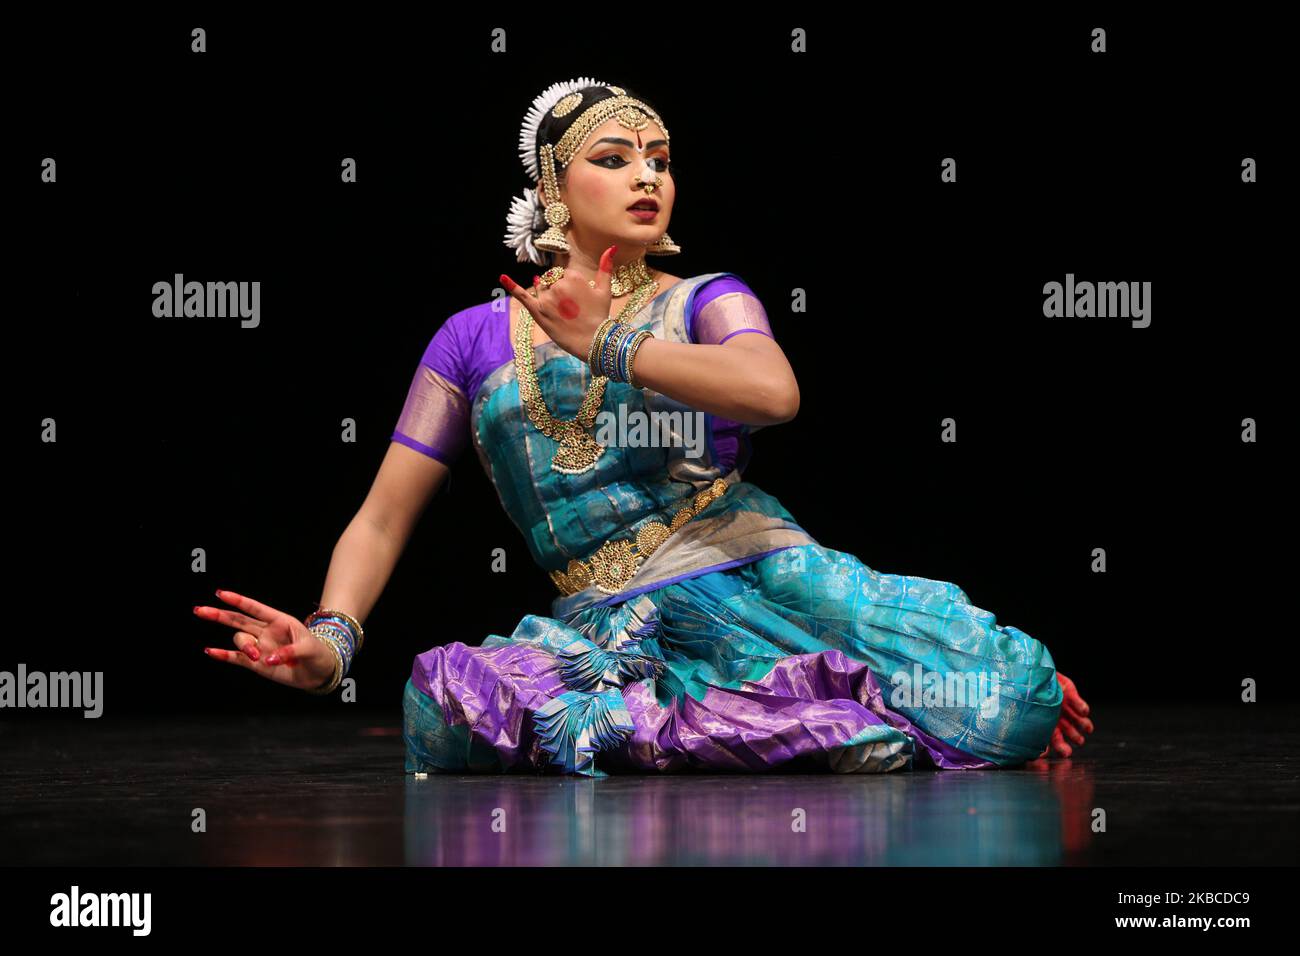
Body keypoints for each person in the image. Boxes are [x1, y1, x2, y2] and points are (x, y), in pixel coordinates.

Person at [195, 78, 1094, 776]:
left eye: (660, 159)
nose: (648, 177)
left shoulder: (701, 299)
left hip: (757, 574)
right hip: (606, 631)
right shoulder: (471, 339)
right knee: (445, 707)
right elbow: (384, 515)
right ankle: (803, 732)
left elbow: (772, 391)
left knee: (1007, 698)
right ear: (552, 184)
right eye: (616, 158)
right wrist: (333, 637)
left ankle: (822, 721)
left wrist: (611, 342)